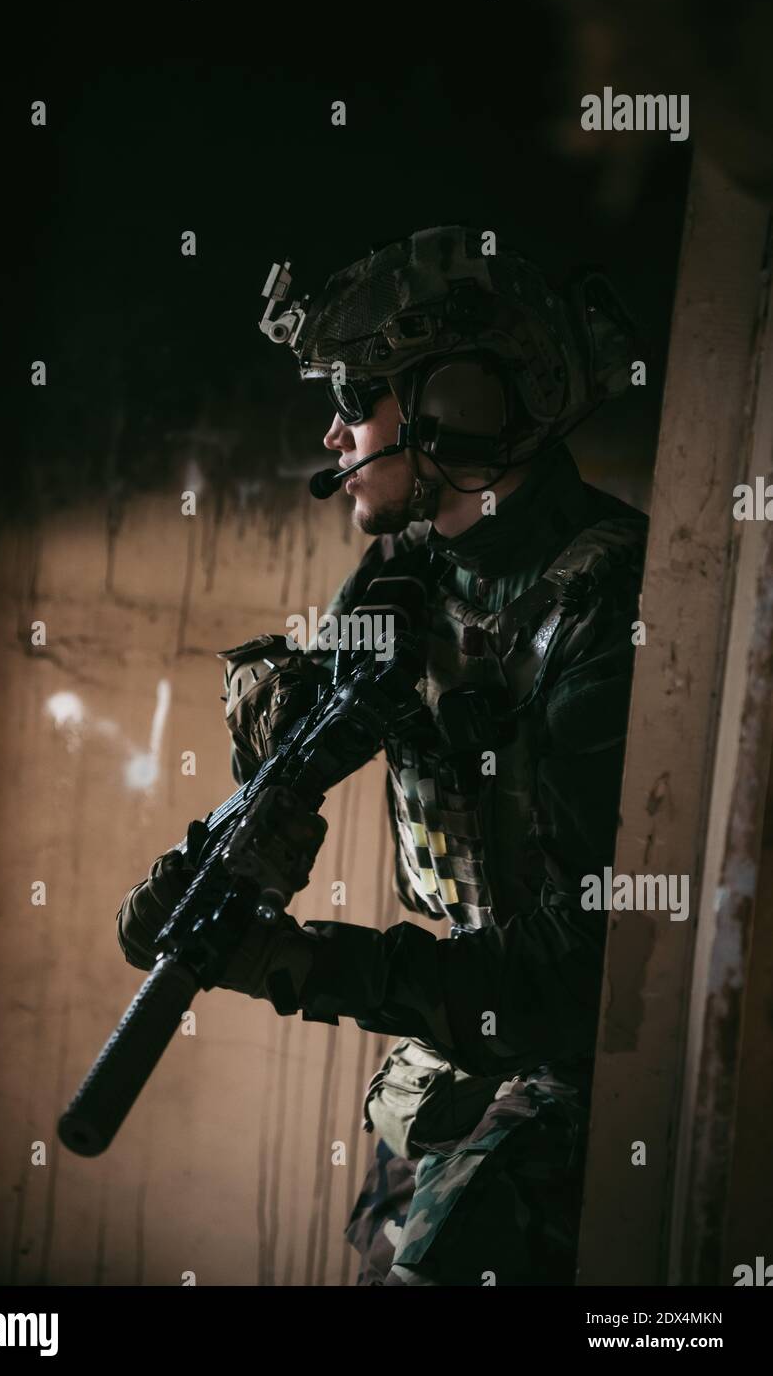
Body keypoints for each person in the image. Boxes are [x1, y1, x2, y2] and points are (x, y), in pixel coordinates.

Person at [116, 225, 648, 1286]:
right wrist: (213, 864)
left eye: (356, 397)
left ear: (452, 409)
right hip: (460, 1056)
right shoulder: (408, 576)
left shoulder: (608, 609)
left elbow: (570, 984)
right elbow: (296, 760)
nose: (331, 428)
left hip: (581, 1070)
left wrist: (295, 964)